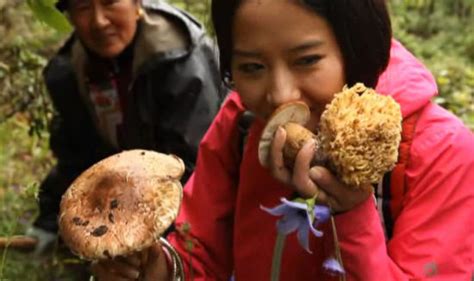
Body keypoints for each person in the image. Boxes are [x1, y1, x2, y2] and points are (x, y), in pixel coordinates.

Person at [93, 0, 474, 280]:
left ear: (356, 48)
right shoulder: (242, 125)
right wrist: (156, 267)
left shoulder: (439, 152)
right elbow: (199, 256)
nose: (280, 95)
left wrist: (352, 216)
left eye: (307, 60)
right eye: (252, 67)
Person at [27, 0, 224, 255]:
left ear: (137, 3)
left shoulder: (180, 59)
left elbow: (195, 166)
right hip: (122, 197)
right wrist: (49, 219)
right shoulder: (68, 72)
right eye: (84, 7)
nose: (99, 21)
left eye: (110, 2)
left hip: (188, 204)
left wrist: (155, 246)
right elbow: (77, 157)